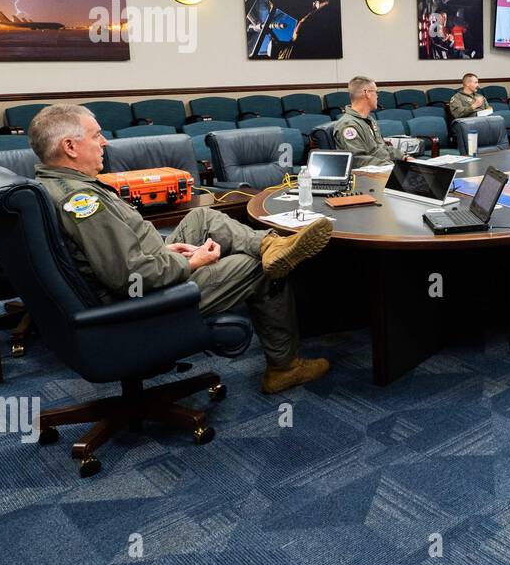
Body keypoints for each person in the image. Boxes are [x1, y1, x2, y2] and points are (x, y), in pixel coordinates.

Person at [29, 105, 331, 394]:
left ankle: (272, 243)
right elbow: (128, 275)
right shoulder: (82, 201)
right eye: (96, 135)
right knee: (257, 267)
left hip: (145, 269)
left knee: (203, 216)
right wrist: (191, 263)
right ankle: (285, 368)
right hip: (138, 301)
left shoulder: (55, 185)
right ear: (70, 146)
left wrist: (164, 247)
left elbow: (117, 252)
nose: (104, 142)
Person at [334, 75, 419, 167]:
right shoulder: (348, 125)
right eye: (376, 92)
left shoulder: (369, 120)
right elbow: (357, 159)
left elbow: (382, 148)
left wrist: (404, 157)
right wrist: (392, 166)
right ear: (367, 93)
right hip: (367, 176)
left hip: (382, 168)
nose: (377, 96)